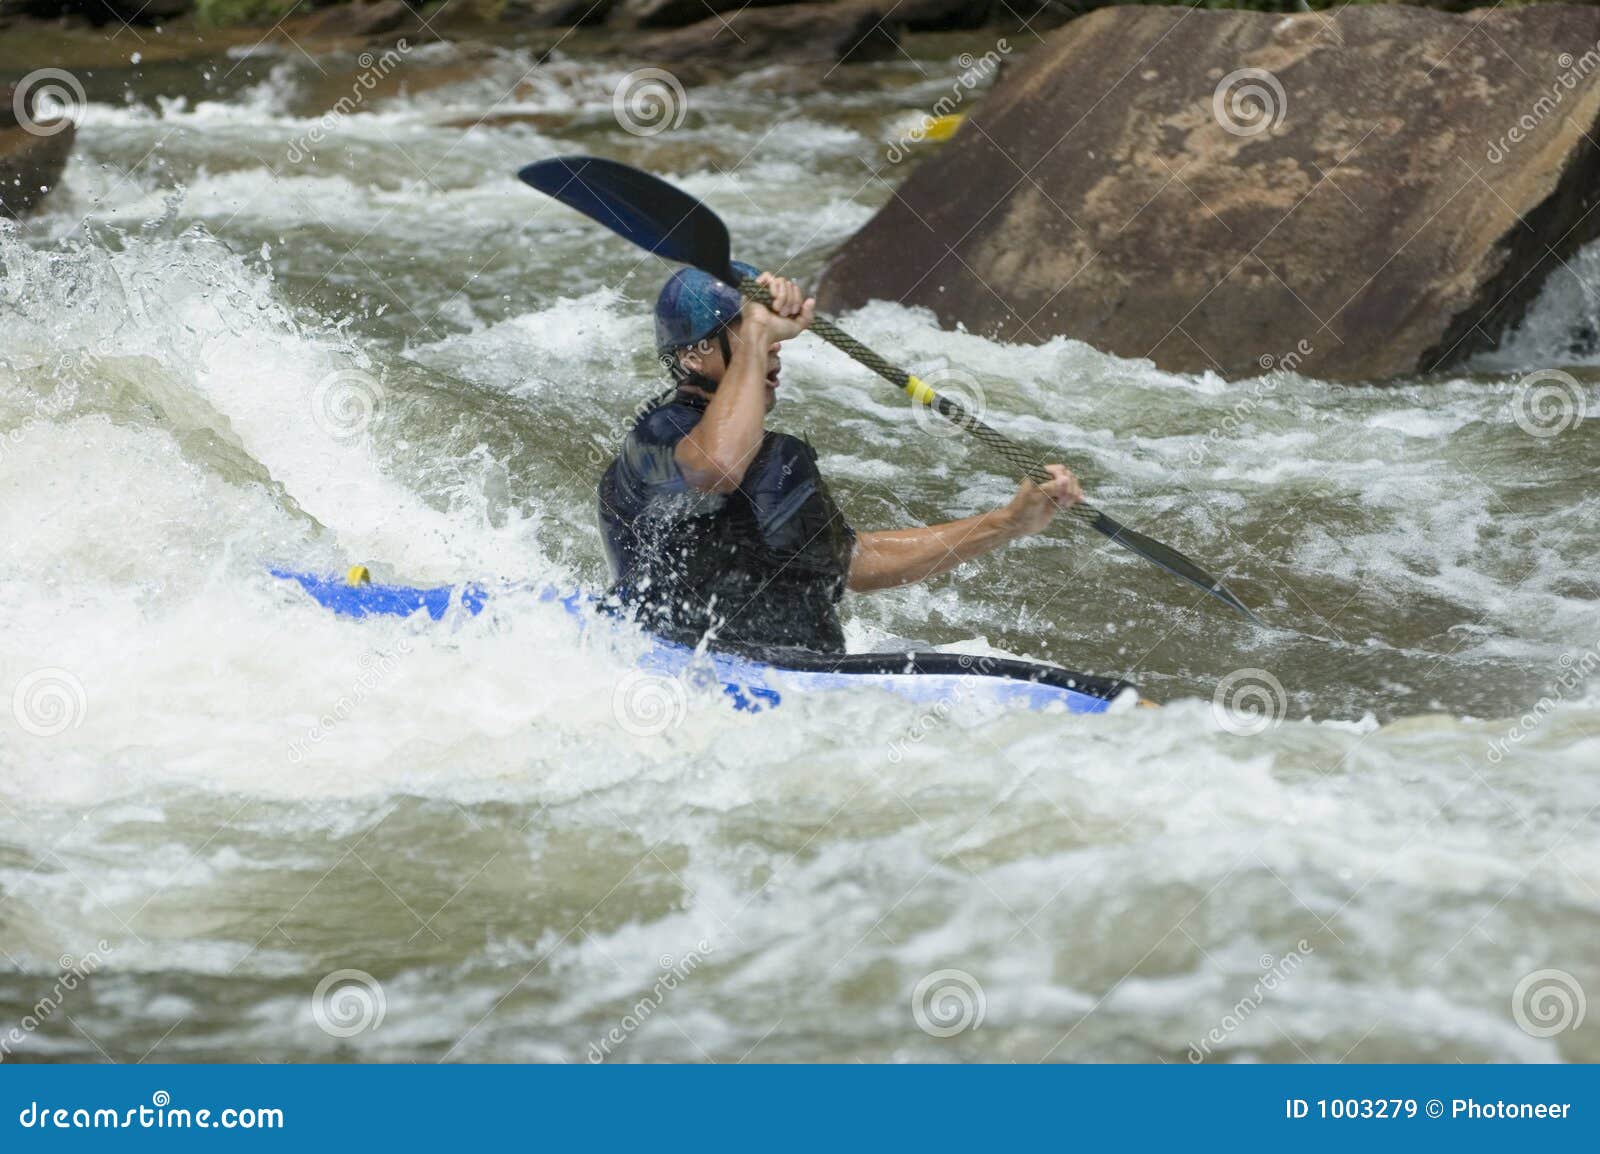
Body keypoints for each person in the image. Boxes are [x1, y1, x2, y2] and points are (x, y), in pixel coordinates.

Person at [597, 264, 1085, 654]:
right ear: (694, 357)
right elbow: (716, 468)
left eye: (770, 339)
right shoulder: (656, 436)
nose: (775, 349)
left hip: (791, 669)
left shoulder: (770, 459)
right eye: (745, 334)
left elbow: (848, 561)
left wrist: (1007, 523)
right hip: (681, 660)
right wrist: (757, 334)